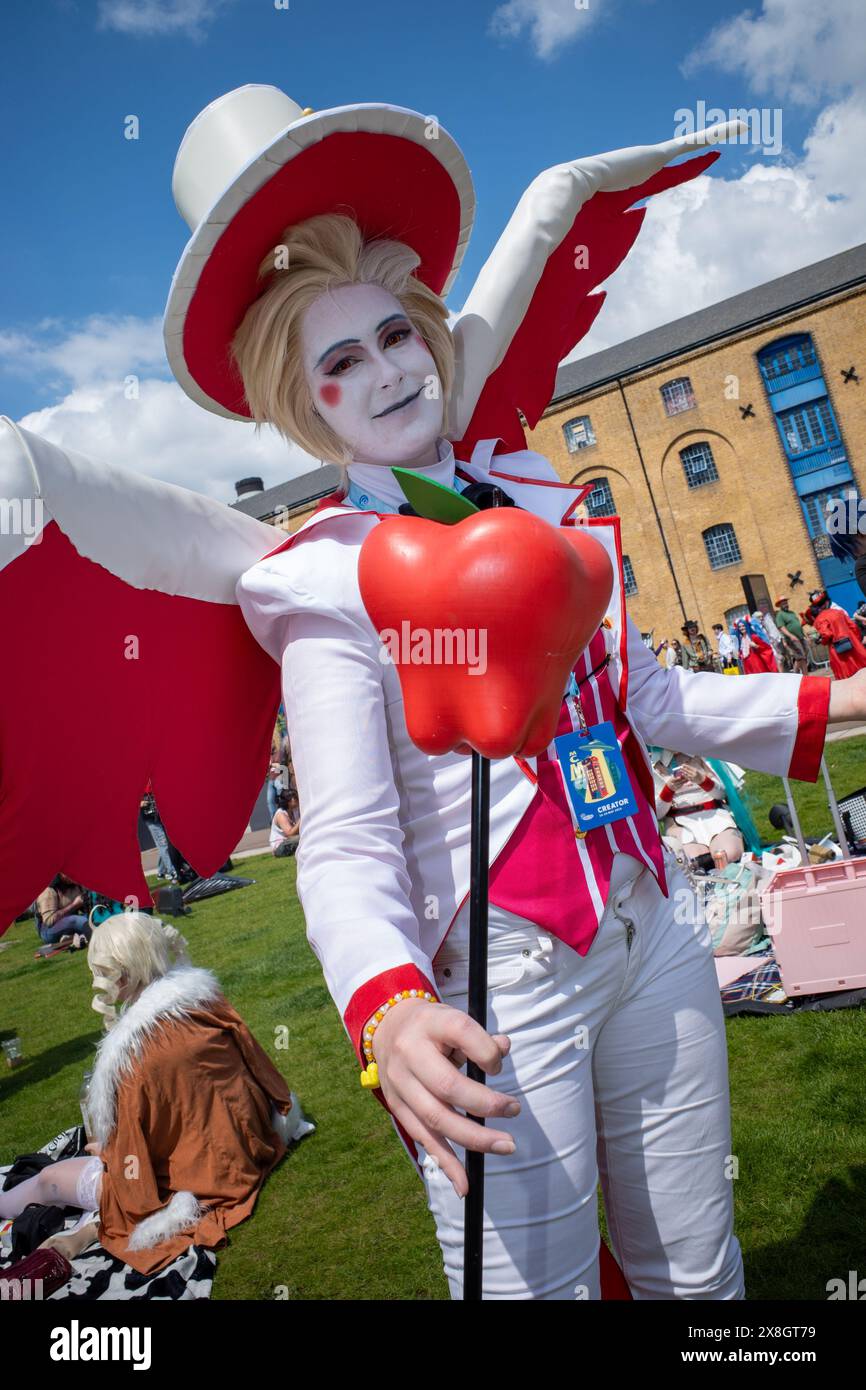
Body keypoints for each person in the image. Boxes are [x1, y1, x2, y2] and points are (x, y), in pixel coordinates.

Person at [155, 84, 866, 1301]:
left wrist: (839, 701)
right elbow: (342, 843)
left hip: (655, 924)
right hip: (497, 987)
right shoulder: (322, 577)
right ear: (299, 401)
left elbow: (645, 695)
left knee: (698, 1272)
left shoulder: (538, 491)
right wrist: (385, 1009)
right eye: (339, 361)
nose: (386, 369)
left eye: (394, 334)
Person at [0, 912, 310, 1274]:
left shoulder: (135, 1053)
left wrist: (108, 1151)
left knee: (50, 1181)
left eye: (99, 971)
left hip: (199, 1177)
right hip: (248, 1144)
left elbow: (136, 1155)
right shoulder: (204, 1002)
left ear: (123, 973)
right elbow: (259, 1072)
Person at [652, 751, 745, 868]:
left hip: (716, 818)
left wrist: (702, 780)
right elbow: (656, 814)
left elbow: (725, 793)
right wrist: (668, 790)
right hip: (680, 826)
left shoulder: (703, 752)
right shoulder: (653, 765)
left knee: (728, 855)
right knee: (695, 863)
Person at [807, 590, 866, 680]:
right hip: (852, 644)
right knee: (862, 670)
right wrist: (856, 641)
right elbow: (854, 627)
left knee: (846, 677)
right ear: (826, 601)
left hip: (837, 651)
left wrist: (821, 641)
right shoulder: (838, 612)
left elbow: (826, 634)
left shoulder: (820, 618)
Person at [35, 873, 92, 949]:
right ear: (61, 875)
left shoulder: (76, 885)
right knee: (76, 920)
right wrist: (74, 905)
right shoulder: (49, 890)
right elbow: (49, 920)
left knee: (92, 916)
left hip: (70, 923)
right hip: (48, 930)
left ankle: (73, 937)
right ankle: (95, 939)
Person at [773, 596, 809, 675]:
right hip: (792, 639)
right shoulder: (780, 615)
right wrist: (791, 636)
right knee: (801, 657)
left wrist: (804, 633)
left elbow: (797, 624)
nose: (785, 604)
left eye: (786, 603)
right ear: (779, 605)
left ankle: (800, 675)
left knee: (803, 655)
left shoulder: (791, 613)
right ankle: (802, 675)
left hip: (800, 637)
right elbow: (781, 627)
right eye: (783, 603)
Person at [270, 788, 301, 858]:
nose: (298, 799)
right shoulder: (281, 815)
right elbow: (290, 833)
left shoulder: (294, 810)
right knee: (302, 838)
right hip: (280, 846)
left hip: (289, 841)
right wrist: (301, 819)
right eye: (296, 797)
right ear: (289, 801)